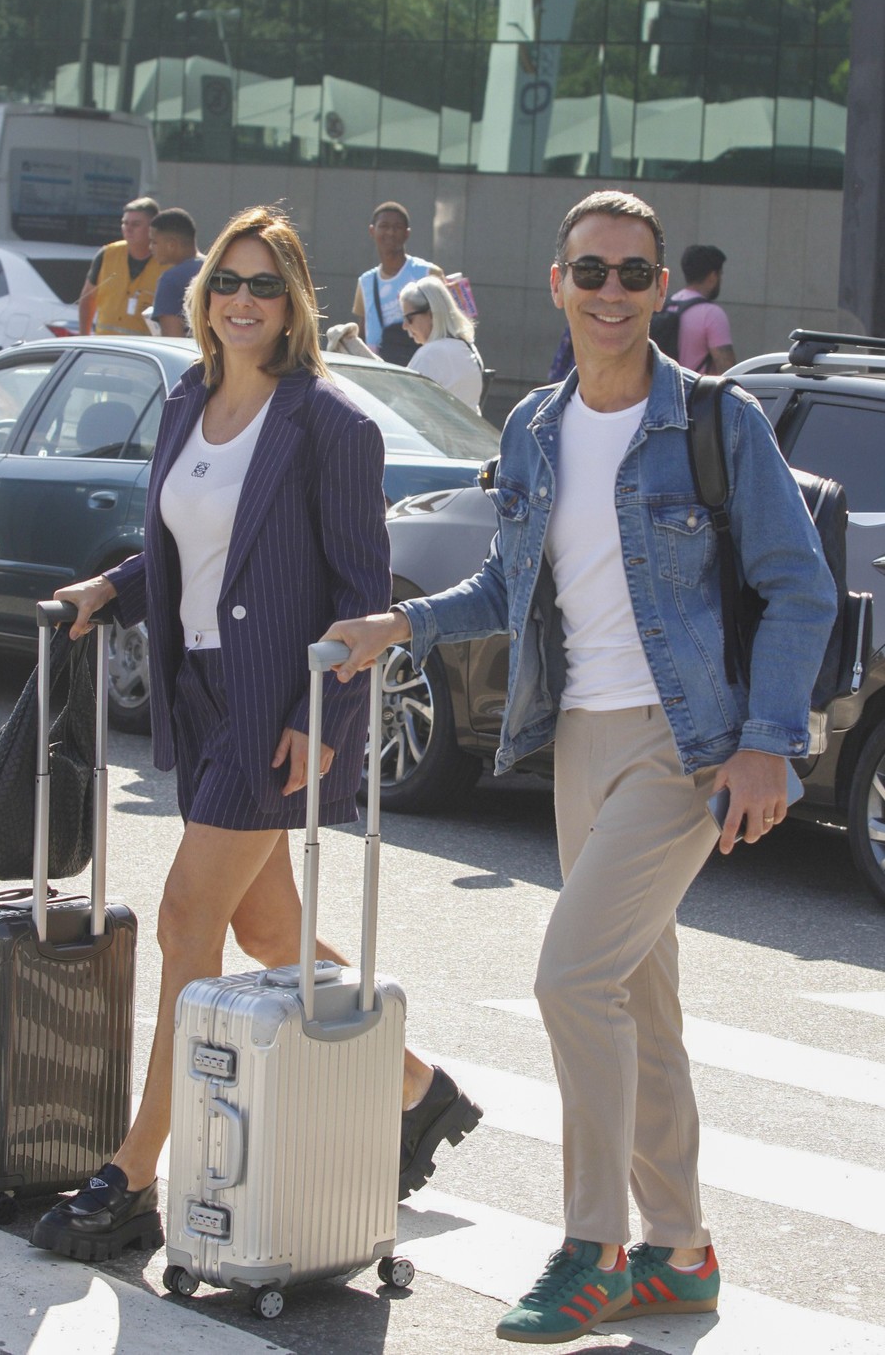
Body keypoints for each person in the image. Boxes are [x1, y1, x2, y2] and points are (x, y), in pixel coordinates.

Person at [321, 190, 838, 1344]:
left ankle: (592, 1246)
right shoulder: (535, 427)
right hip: (578, 740)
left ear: (661, 289)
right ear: (557, 284)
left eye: (634, 273)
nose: (612, 292)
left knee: (570, 981)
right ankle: (682, 1253)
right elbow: (508, 586)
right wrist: (398, 625)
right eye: (591, 271)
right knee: (637, 1001)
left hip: (686, 742)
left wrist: (767, 742)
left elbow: (799, 587)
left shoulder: (715, 420)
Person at [31, 204, 479, 1262]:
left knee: (187, 921)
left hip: (276, 708)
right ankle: (416, 1089)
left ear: (295, 303)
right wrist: (112, 586)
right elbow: (191, 549)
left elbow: (363, 595)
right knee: (273, 937)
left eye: (265, 285)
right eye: (227, 282)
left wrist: (325, 720)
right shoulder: (189, 400)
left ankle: (134, 1172)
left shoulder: (331, 423)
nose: (242, 300)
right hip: (198, 694)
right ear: (205, 295)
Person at [352, 201, 442, 365]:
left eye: (397, 227)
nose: (390, 232)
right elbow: (363, 330)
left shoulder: (429, 273)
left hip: (423, 365)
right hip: (380, 369)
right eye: (384, 226)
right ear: (372, 230)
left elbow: (449, 320)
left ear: (407, 233)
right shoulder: (366, 282)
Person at [397, 275, 483, 411]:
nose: (404, 326)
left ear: (431, 314)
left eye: (409, 318)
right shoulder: (468, 347)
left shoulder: (430, 353)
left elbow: (404, 404)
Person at [78, 197, 161, 336]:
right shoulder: (107, 254)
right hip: (105, 343)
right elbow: (87, 298)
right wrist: (84, 336)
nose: (128, 229)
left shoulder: (166, 262)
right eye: (125, 223)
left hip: (142, 347)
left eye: (136, 224)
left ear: (153, 228)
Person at [673, 243, 735, 374]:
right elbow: (728, 369)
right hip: (696, 386)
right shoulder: (711, 314)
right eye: (720, 274)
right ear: (713, 276)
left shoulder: (668, 305)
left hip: (664, 385)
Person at [148, 207, 203, 335]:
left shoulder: (170, 280)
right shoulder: (216, 267)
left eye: (154, 242)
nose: (150, 247)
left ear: (171, 245)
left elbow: (172, 338)